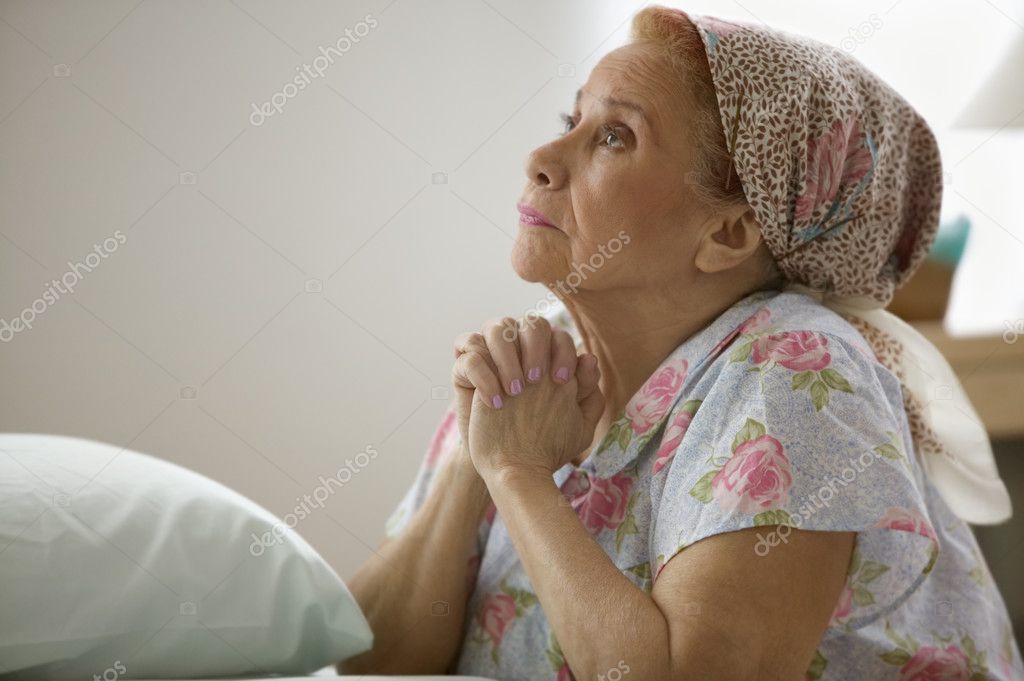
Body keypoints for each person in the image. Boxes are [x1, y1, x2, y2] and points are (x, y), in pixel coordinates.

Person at [340, 6, 1021, 679]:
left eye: (614, 137)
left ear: (728, 234)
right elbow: (368, 661)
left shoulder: (796, 368)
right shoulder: (538, 359)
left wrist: (518, 475)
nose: (541, 158)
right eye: (569, 122)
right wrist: (478, 456)